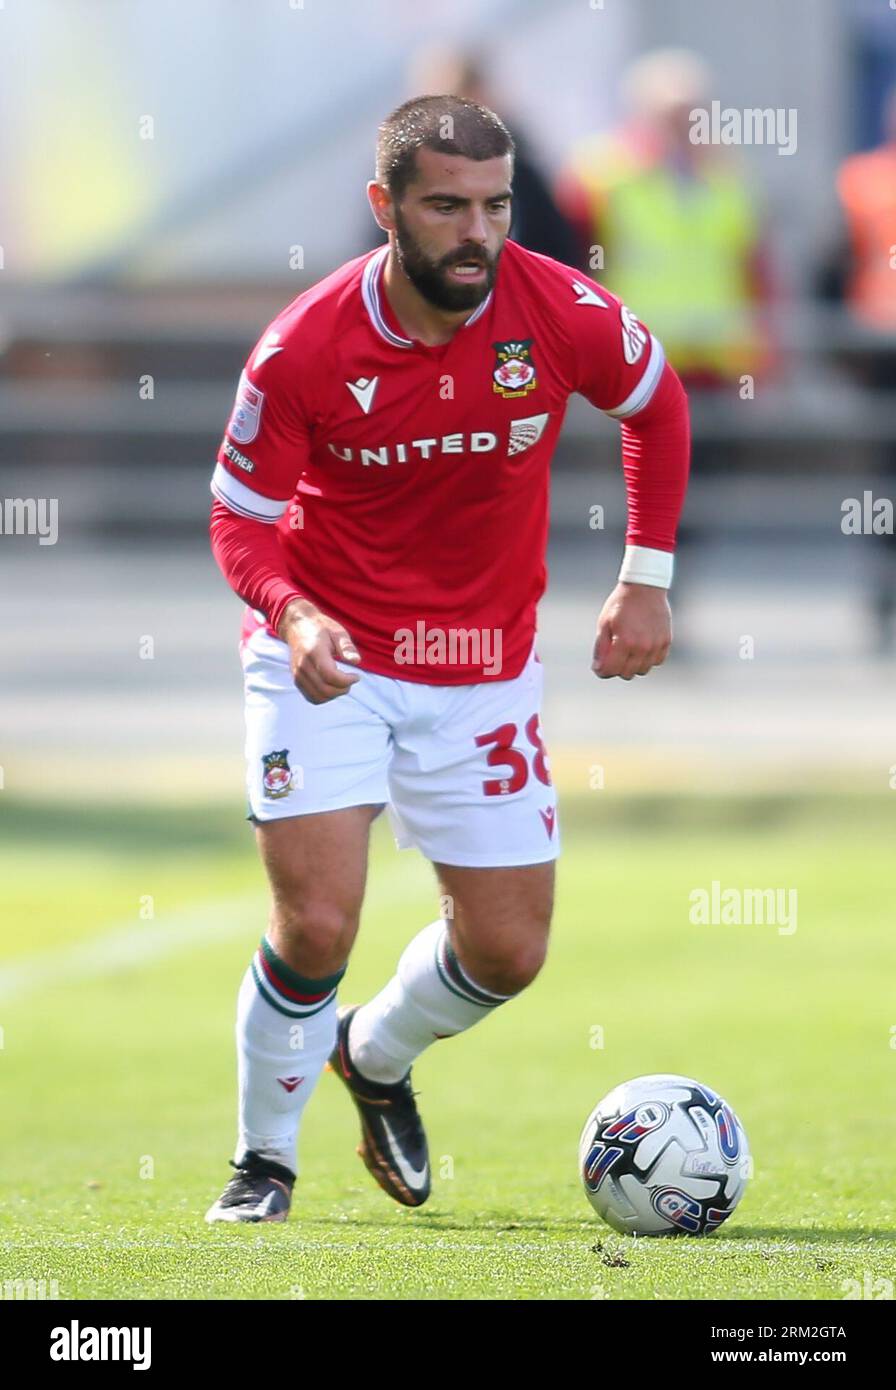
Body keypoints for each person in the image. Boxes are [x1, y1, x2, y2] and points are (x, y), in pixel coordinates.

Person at [205, 95, 689, 1223]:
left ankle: (370, 1057)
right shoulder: (304, 347)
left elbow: (655, 407)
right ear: (384, 208)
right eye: (445, 207)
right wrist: (289, 613)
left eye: (494, 205)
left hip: (481, 668)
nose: (476, 231)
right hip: (328, 656)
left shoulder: (556, 308)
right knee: (317, 923)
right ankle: (261, 1166)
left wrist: (645, 575)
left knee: (511, 952)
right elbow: (237, 519)